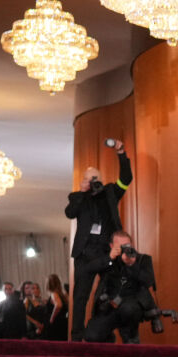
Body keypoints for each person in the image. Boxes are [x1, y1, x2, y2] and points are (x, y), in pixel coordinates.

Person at [65, 139, 132, 340]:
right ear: (84, 180)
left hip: (106, 252)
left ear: (102, 179)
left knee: (104, 294)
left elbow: (126, 178)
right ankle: (76, 336)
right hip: (84, 254)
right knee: (80, 296)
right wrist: (82, 192)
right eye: (90, 178)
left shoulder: (111, 192)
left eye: (96, 178)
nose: (94, 181)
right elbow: (70, 213)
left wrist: (121, 153)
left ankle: (98, 333)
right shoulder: (78, 197)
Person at [83, 233, 156, 344]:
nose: (124, 249)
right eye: (120, 246)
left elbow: (149, 281)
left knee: (129, 310)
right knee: (91, 335)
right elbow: (88, 269)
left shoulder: (142, 259)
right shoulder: (108, 260)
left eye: (127, 245)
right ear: (112, 246)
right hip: (109, 306)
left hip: (131, 307)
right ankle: (109, 338)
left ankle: (131, 337)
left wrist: (132, 264)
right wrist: (109, 258)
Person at [40, 273, 69, 340]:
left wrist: (52, 318)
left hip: (54, 325)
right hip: (62, 324)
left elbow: (58, 305)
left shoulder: (54, 294)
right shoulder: (62, 295)